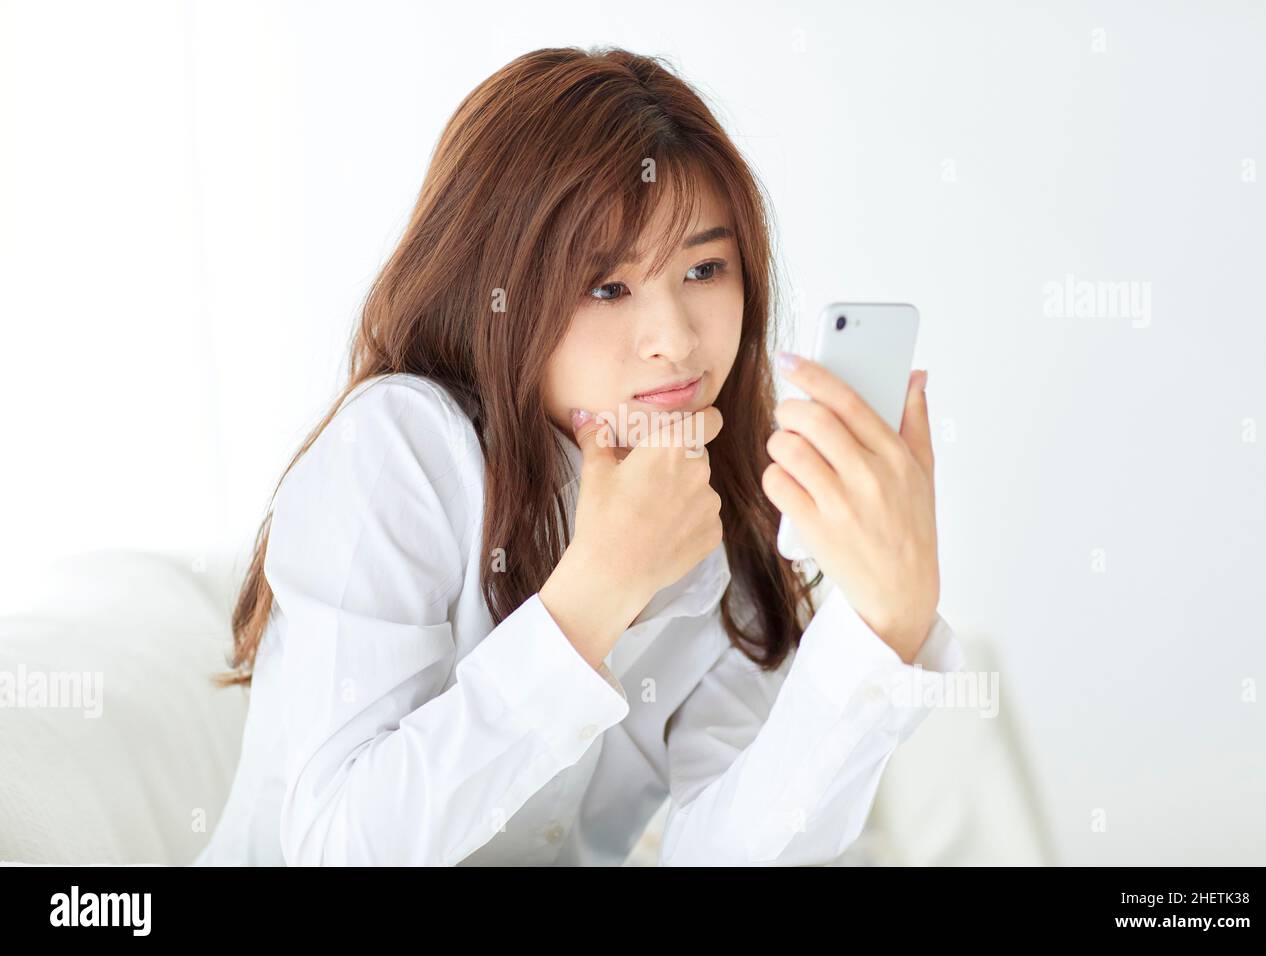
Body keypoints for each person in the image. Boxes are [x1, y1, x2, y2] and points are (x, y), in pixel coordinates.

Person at [195, 45, 963, 867]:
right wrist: (598, 593)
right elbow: (338, 849)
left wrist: (885, 626)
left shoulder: (722, 510)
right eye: (607, 287)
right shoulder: (402, 451)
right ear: (498, 289)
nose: (675, 339)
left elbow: (725, 851)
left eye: (705, 269)